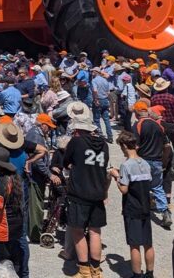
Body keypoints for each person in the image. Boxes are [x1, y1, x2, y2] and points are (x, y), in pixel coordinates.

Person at [63, 110, 109, 278]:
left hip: (79, 193)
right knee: (95, 231)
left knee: (78, 231)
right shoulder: (104, 144)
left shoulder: (76, 142)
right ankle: (96, 270)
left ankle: (84, 270)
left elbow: (66, 162)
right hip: (98, 192)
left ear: (77, 129)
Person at [108, 131, 154, 278]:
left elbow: (124, 189)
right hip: (145, 207)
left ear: (124, 146)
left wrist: (116, 176)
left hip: (132, 208)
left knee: (134, 244)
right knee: (148, 243)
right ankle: (150, 273)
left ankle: (137, 274)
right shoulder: (146, 163)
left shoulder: (126, 166)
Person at [131, 101, 171, 228]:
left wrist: (131, 160)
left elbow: (135, 146)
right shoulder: (158, 125)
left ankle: (142, 211)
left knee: (140, 186)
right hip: (157, 161)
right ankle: (165, 211)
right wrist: (164, 161)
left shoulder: (138, 125)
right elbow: (167, 146)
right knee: (157, 187)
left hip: (143, 160)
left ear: (137, 112)